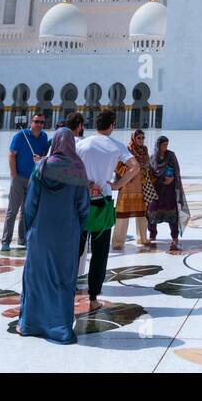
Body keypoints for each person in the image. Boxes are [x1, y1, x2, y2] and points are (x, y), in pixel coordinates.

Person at [18, 113, 91, 344]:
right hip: (66, 234)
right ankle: (60, 328)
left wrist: (30, 229)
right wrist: (78, 227)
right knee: (63, 278)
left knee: (36, 277)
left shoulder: (42, 167)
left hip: (41, 232)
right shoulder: (79, 170)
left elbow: (30, 204)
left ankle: (30, 324)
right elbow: (83, 207)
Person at [78, 110, 141, 309]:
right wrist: (117, 184)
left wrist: (85, 184)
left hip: (81, 202)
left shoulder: (82, 144)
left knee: (75, 249)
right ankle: (93, 298)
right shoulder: (115, 146)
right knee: (99, 252)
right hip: (103, 204)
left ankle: (66, 289)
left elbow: (70, 168)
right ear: (112, 125)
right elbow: (135, 166)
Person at [2, 114, 50, 250]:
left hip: (33, 178)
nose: (39, 124)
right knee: (13, 210)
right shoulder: (20, 136)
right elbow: (12, 154)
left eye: (42, 122)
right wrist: (13, 174)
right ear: (31, 122)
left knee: (26, 211)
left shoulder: (44, 137)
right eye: (36, 121)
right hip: (19, 178)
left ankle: (22, 238)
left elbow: (45, 156)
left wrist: (40, 158)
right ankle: (6, 241)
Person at [112, 128, 153, 251]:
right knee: (122, 216)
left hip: (141, 186)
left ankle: (142, 238)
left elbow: (148, 167)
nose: (141, 140)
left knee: (142, 214)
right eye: (138, 138)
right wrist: (128, 174)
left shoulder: (144, 151)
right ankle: (118, 242)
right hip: (127, 186)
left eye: (142, 138)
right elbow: (117, 166)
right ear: (133, 138)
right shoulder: (127, 150)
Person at [147, 135, 188, 251]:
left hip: (169, 190)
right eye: (163, 145)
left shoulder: (171, 155)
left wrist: (172, 178)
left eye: (167, 145)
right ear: (158, 145)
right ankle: (152, 235)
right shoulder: (152, 158)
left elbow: (177, 170)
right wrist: (159, 179)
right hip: (156, 191)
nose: (165, 147)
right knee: (152, 212)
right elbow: (150, 174)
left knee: (172, 214)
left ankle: (174, 237)